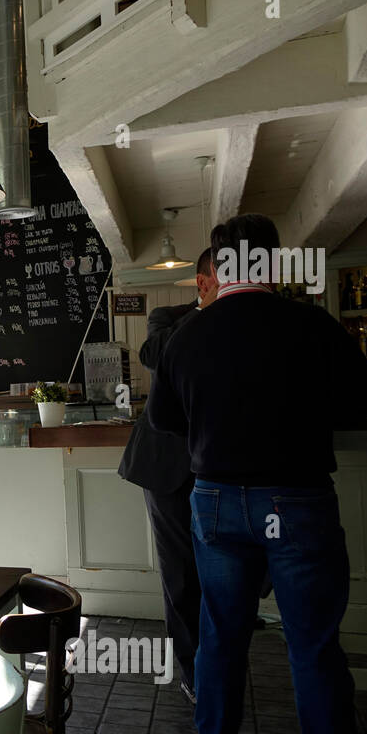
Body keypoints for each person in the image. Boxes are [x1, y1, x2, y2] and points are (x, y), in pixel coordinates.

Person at [148, 213, 367, 734]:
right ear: (274, 264)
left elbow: (164, 420)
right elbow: (365, 401)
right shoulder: (310, 323)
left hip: (215, 499)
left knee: (221, 634)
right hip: (297, 498)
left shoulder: (187, 335)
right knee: (312, 643)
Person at [118, 247, 218, 702]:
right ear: (203, 283)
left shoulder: (243, 323)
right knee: (179, 575)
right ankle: (195, 674)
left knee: (221, 571)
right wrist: (204, 313)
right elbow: (153, 355)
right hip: (165, 467)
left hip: (220, 465)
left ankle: (220, 663)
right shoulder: (168, 317)